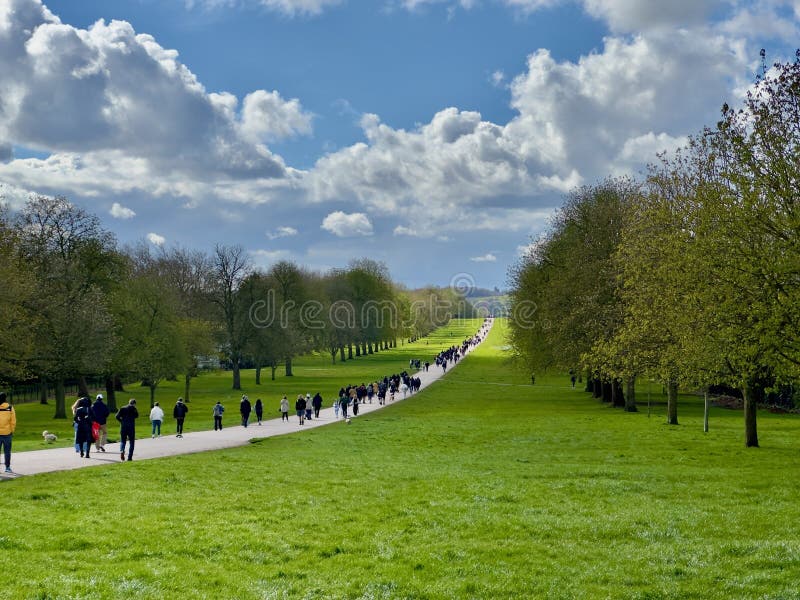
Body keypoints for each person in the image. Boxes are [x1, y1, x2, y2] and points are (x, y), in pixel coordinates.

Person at [0, 392, 16, 474]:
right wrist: (12, 431)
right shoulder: (10, 407)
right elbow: (13, 421)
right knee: (7, 451)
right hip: (7, 433)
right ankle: (7, 467)